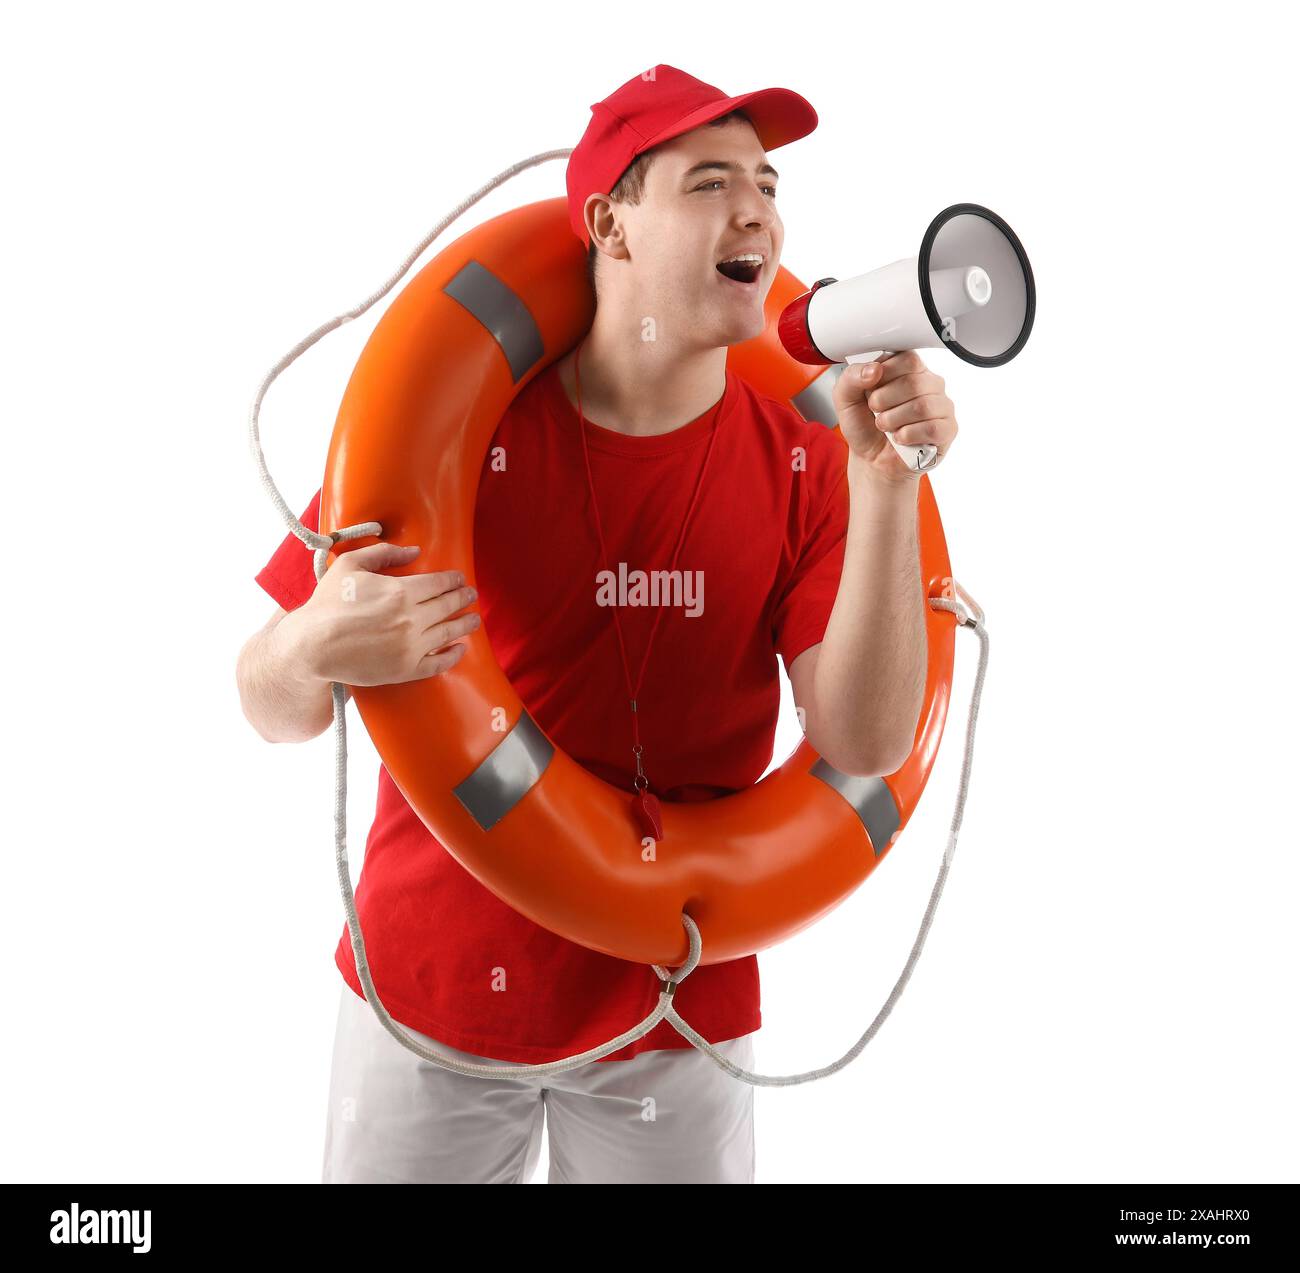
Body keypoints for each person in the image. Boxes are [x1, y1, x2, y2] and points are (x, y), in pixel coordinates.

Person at [236, 63, 957, 1185]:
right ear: (610, 227)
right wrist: (310, 646)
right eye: (709, 180)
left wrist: (885, 486)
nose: (757, 209)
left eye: (767, 184)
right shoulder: (454, 432)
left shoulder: (813, 459)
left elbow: (864, 745)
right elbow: (267, 701)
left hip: (677, 1009)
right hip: (429, 989)